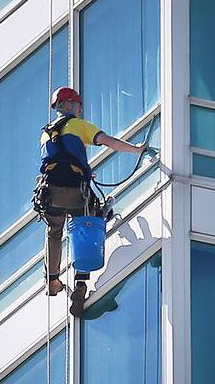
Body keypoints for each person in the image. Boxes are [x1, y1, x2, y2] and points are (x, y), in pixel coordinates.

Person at [36, 86, 147, 317]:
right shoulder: (79, 126)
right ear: (71, 105)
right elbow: (109, 142)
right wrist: (136, 149)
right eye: (78, 105)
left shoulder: (45, 133)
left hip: (50, 193)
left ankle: (52, 280)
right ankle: (80, 283)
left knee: (54, 231)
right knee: (88, 225)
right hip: (77, 191)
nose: (80, 109)